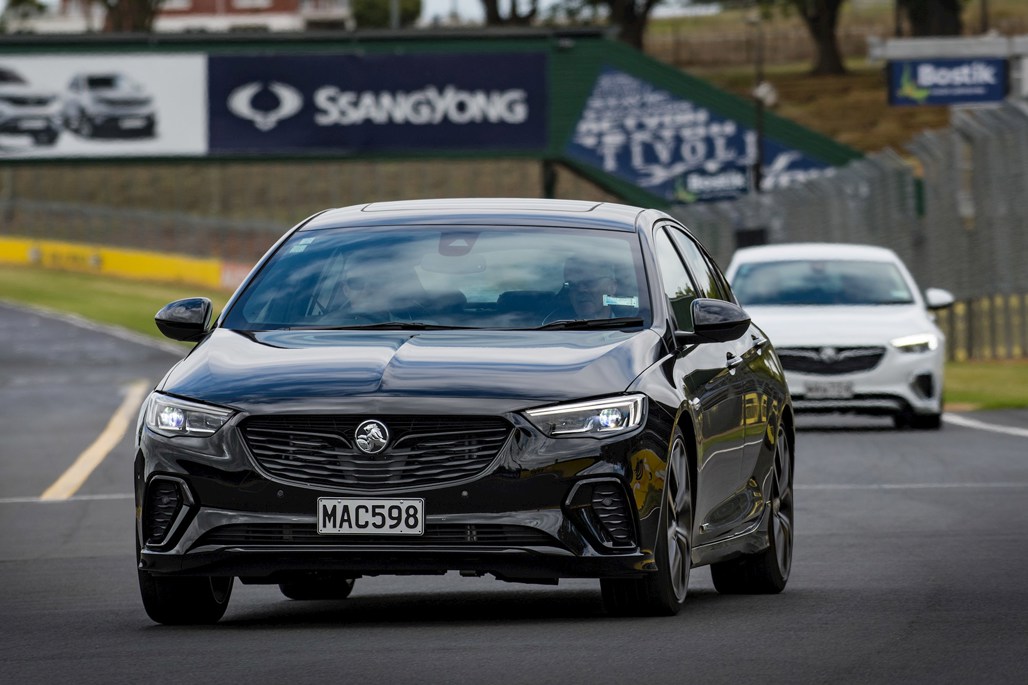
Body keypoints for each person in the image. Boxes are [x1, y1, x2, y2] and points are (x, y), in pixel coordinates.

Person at [545, 256, 621, 322]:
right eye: (573, 284)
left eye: (590, 282)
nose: (581, 289)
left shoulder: (627, 329)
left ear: (612, 287)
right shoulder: (548, 328)